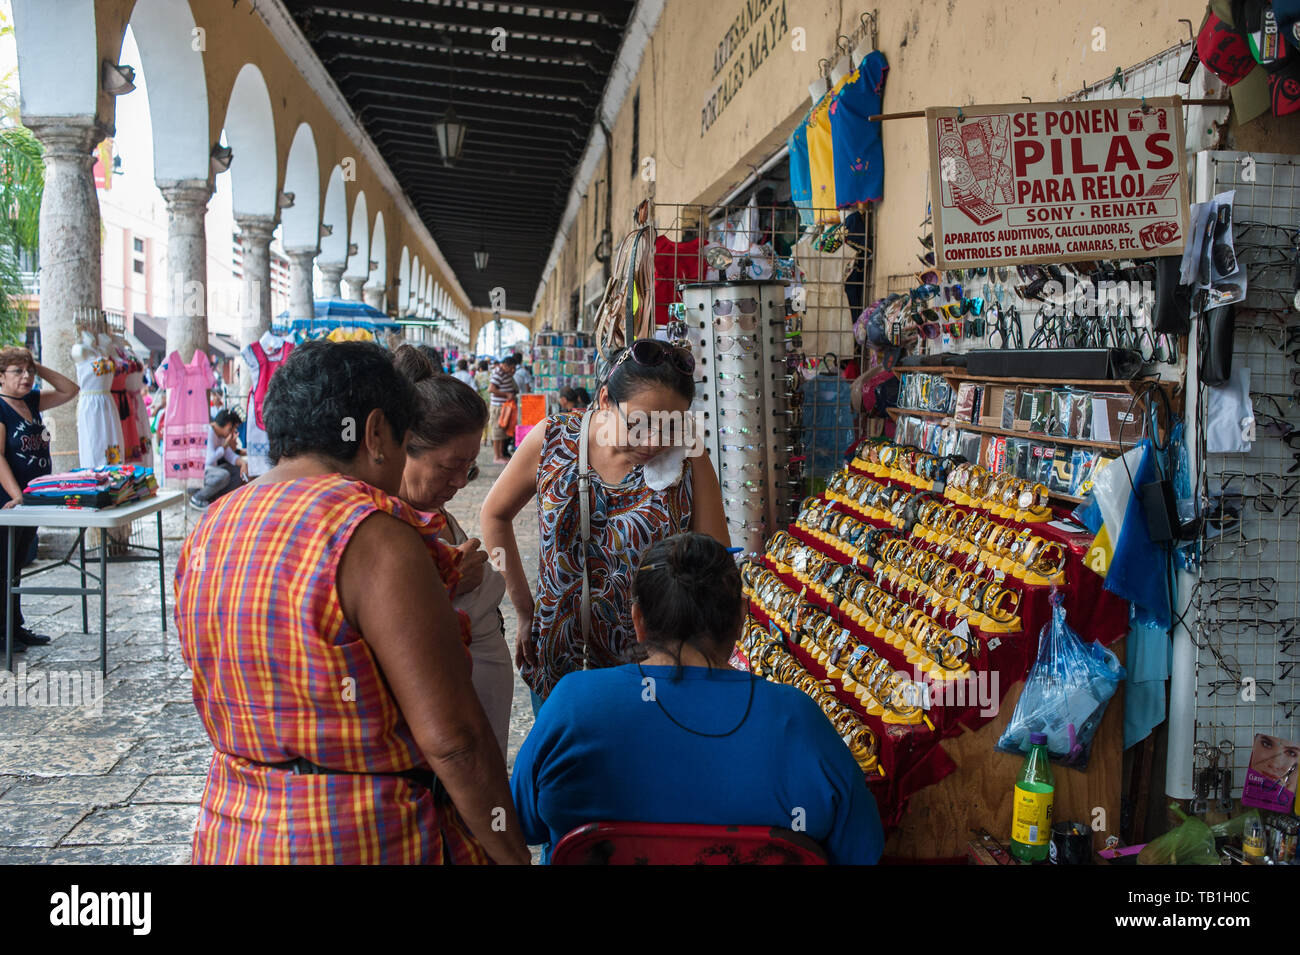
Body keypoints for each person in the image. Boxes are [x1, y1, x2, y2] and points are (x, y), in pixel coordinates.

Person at [174, 340, 528, 865]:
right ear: (376, 433)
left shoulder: (212, 527)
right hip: (360, 835)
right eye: (406, 440)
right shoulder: (372, 534)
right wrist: (511, 853)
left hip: (235, 829)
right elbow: (452, 740)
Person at [511, 532, 885, 864]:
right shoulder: (795, 718)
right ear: (740, 619)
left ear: (638, 621)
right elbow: (862, 849)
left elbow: (519, 823)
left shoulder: (573, 704)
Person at [481, 338, 727, 715]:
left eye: (669, 428)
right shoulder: (553, 440)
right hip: (559, 660)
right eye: (638, 425)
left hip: (651, 670)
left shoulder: (689, 458)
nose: (653, 442)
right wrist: (524, 609)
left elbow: (715, 560)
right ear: (605, 399)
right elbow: (494, 515)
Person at [391, 344, 513, 757]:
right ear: (402, 446)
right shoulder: (381, 521)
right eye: (448, 467)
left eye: (470, 468)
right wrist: (452, 576)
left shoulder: (427, 507)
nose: (461, 482)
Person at [0, 347, 78, 655]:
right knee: (4, 565)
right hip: (10, 500)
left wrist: (37, 365)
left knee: (17, 564)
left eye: (27, 371)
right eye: (17, 372)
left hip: (31, 499)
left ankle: (15, 625)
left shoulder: (31, 401)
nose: (26, 376)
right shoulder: (1, 408)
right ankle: (3, 632)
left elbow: (70, 389)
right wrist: (16, 494)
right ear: (0, 377)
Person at [188, 409, 247, 510]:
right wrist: (224, 446)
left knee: (237, 471)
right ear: (228, 425)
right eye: (234, 429)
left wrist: (243, 463)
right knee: (224, 475)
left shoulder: (221, 435)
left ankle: (218, 499)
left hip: (210, 473)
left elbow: (230, 456)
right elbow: (209, 460)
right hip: (197, 476)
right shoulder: (208, 432)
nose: (233, 433)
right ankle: (197, 498)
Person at [487, 354, 519, 465]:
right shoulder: (498, 373)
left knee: (502, 432)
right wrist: (506, 394)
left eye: (514, 368)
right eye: (511, 368)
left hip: (505, 407)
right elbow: (491, 389)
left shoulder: (505, 373)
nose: (513, 370)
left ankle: (501, 455)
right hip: (498, 407)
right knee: (497, 431)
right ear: (505, 365)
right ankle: (497, 456)